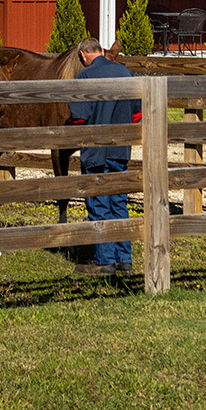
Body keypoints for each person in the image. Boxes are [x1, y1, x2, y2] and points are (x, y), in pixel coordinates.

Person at [66, 36, 140, 275]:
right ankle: (124, 258)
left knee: (98, 202)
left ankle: (104, 260)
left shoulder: (84, 77)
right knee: (119, 200)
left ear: (83, 55)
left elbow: (79, 118)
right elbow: (137, 114)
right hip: (121, 148)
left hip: (96, 149)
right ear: (100, 50)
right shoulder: (126, 73)